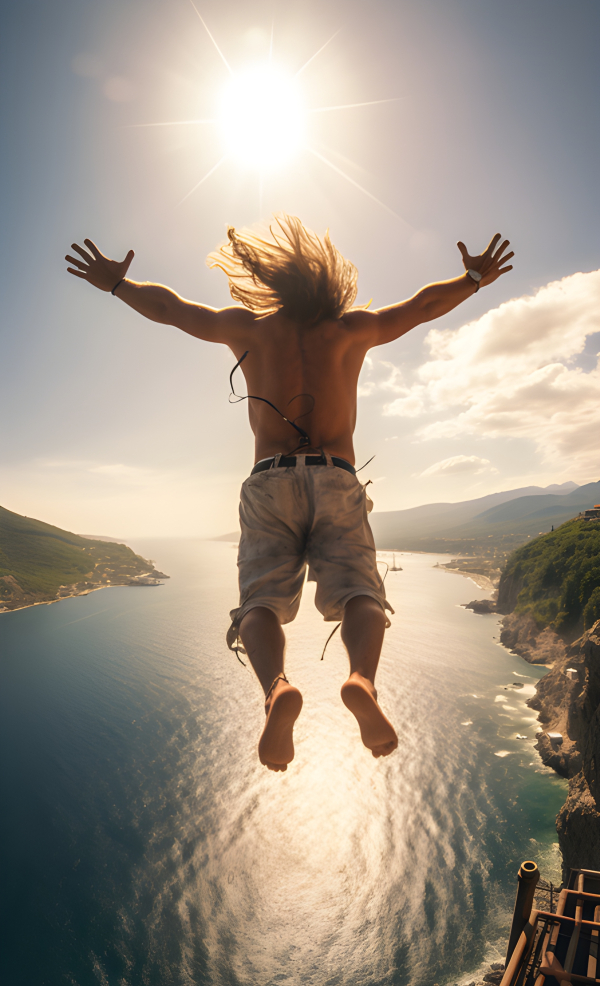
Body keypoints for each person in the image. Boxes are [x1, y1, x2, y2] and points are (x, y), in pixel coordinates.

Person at [66, 216, 513, 772]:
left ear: (273, 282)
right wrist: (473, 279)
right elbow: (422, 307)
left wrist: (117, 284)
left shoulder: (247, 328)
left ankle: (277, 689)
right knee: (359, 590)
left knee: (259, 603)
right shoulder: (353, 329)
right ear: (330, 282)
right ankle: (361, 681)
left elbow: (171, 309)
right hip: (336, 474)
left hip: (270, 479)